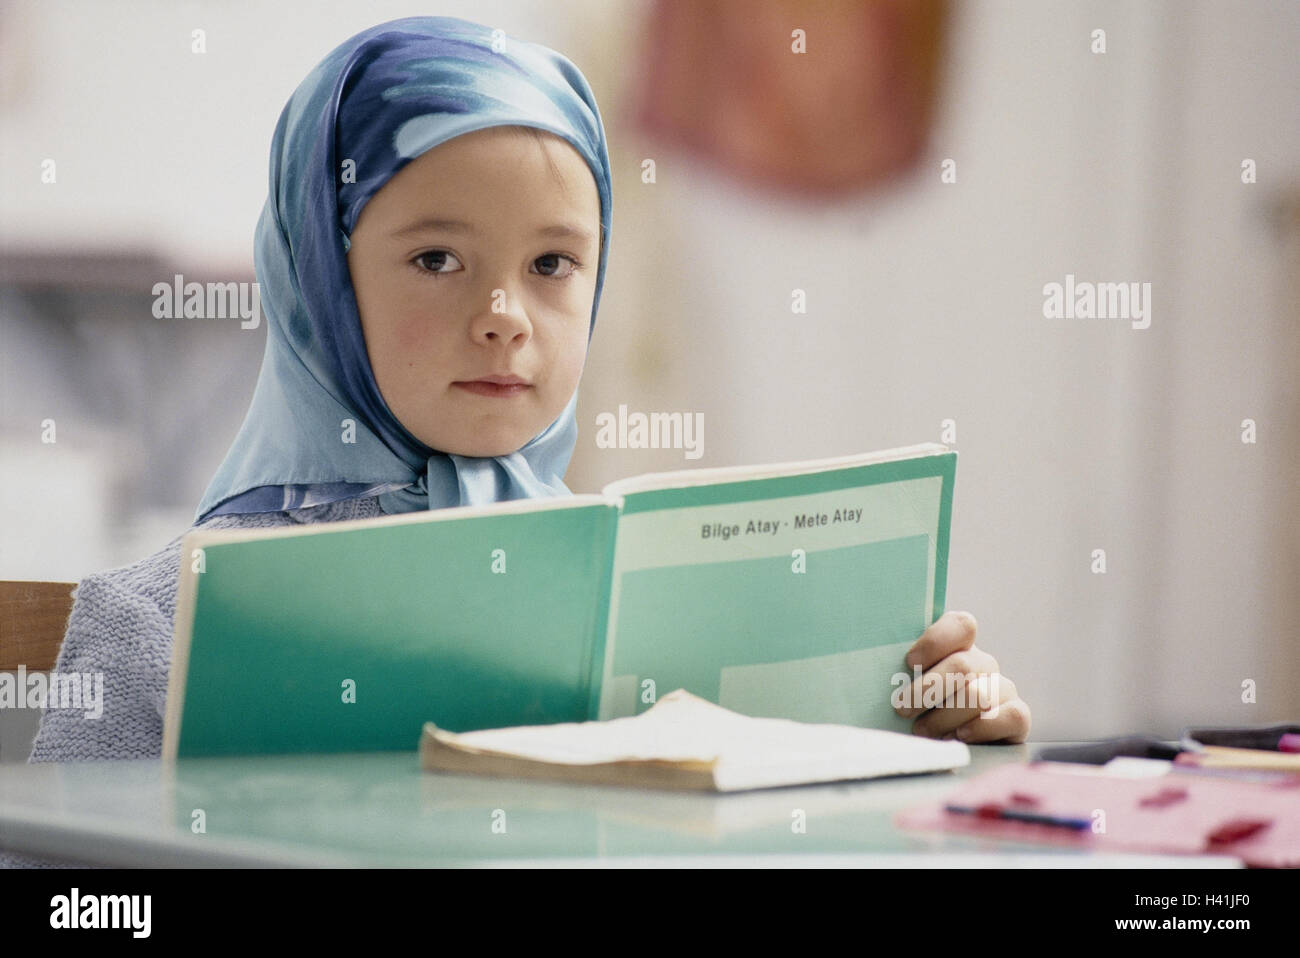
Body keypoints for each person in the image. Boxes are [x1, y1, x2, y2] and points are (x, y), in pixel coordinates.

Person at [10, 13, 1027, 867]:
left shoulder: (637, 599)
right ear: (316, 272)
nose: (504, 313)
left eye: (552, 262)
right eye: (439, 257)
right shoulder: (156, 628)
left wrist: (923, 724)